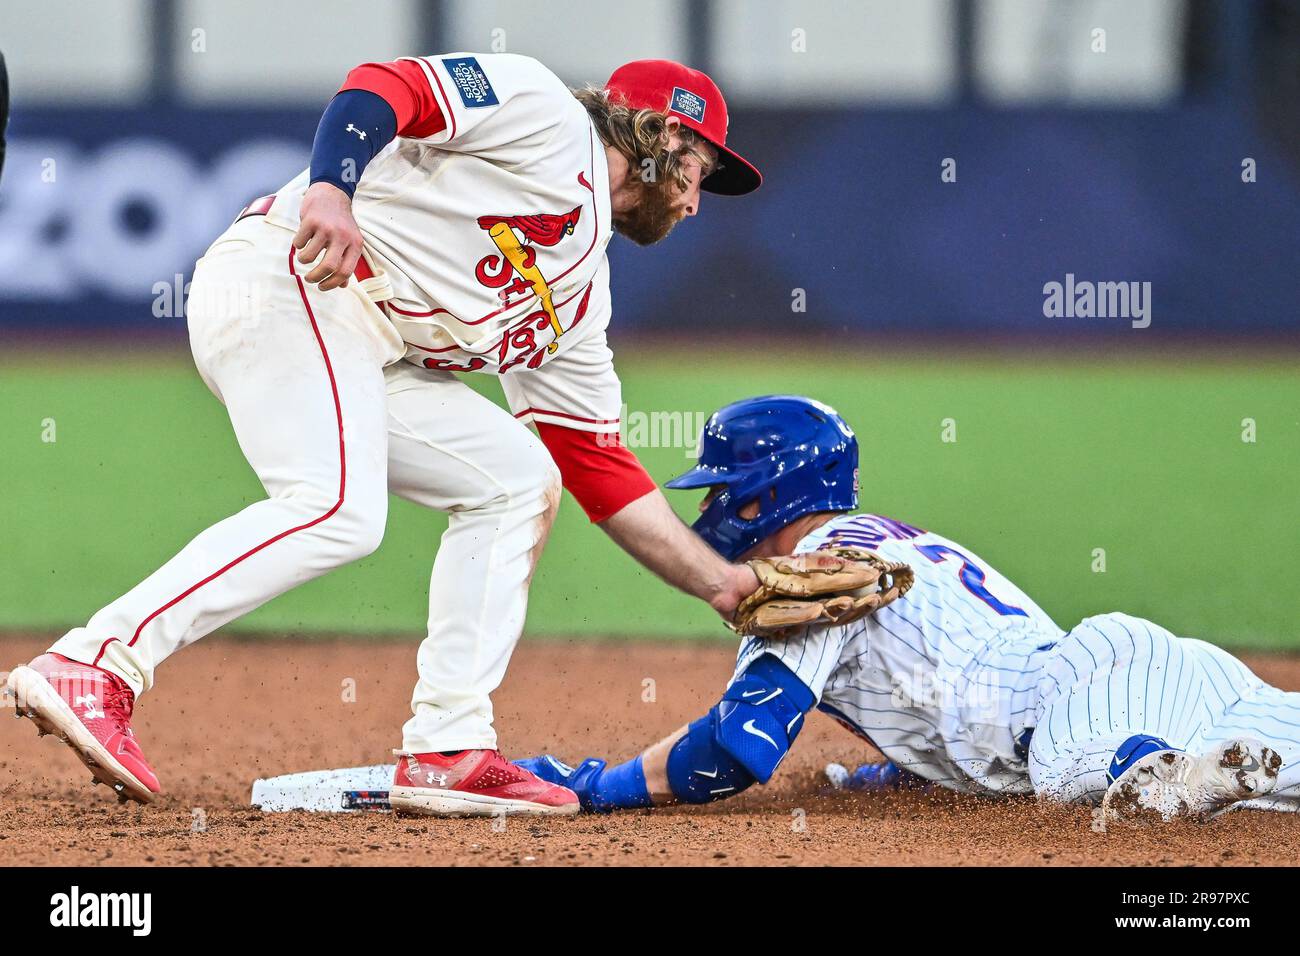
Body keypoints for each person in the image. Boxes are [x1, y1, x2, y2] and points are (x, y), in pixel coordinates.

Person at [5, 53, 769, 817]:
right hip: (292, 275)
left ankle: (447, 746)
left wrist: (722, 585)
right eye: (698, 169)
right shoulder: (543, 115)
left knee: (516, 479)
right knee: (338, 507)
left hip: (362, 342)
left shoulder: (579, 299)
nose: (696, 202)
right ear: (663, 134)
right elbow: (387, 84)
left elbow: (595, 464)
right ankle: (95, 663)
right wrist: (333, 188)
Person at [519, 395, 1296, 824]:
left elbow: (732, 753)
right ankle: (1196, 763)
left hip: (1079, 710)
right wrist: (909, 772)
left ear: (764, 494)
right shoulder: (899, 541)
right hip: (1167, 666)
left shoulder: (814, 575)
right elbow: (950, 677)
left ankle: (1158, 773)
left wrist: (596, 784)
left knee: (1081, 779)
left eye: (721, 489)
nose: (712, 507)